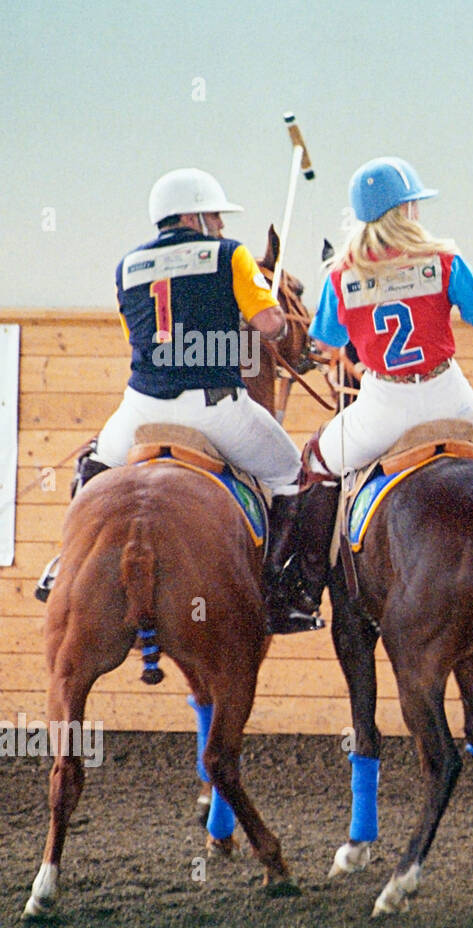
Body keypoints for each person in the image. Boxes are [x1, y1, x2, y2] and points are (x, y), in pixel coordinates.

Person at [34, 168, 309, 634]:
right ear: (193, 214)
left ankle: (64, 565)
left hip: (143, 407)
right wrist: (280, 323)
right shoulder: (231, 255)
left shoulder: (127, 266)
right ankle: (280, 591)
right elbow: (267, 325)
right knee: (291, 475)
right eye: (216, 216)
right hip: (216, 408)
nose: (221, 226)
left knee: (94, 467)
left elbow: (137, 338)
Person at [268, 155, 473, 630]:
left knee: (318, 462)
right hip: (449, 394)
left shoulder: (342, 274)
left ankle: (303, 587)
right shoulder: (443, 259)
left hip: (384, 404)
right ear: (406, 210)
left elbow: (324, 343)